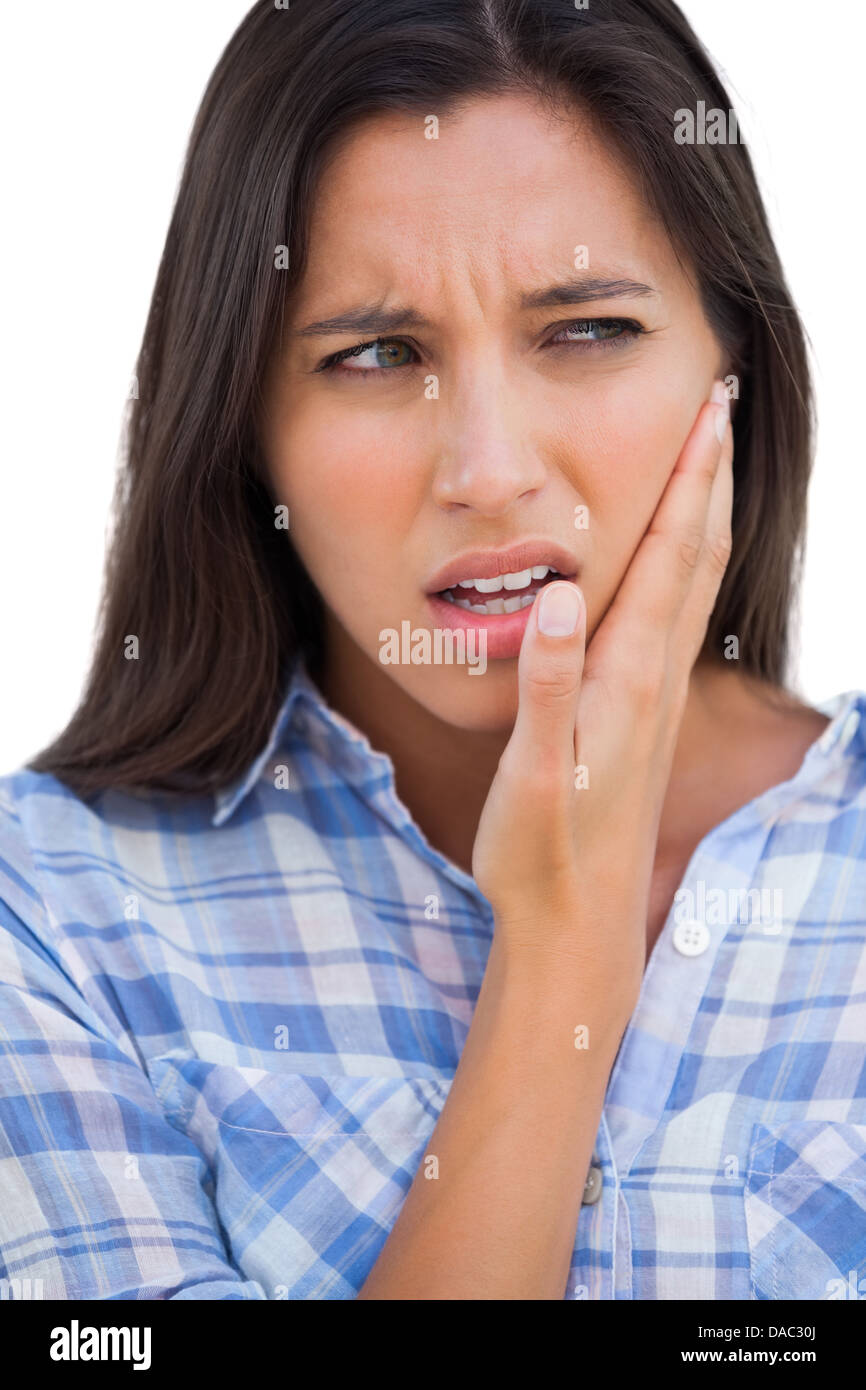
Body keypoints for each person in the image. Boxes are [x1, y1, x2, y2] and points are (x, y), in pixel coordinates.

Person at [1, 0, 863, 1302]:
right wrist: (560, 955)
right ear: (242, 418)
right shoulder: (55, 917)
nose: (488, 469)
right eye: (375, 353)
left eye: (584, 330)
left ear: (731, 366)